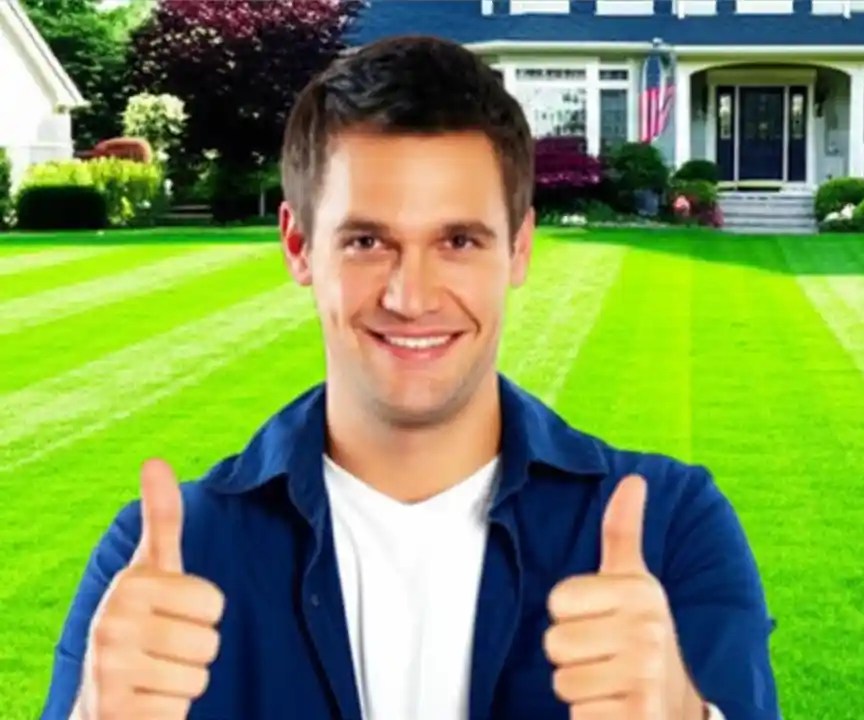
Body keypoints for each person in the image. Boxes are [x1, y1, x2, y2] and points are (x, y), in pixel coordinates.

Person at [39, 34, 780, 720]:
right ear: (298, 246)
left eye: (458, 240)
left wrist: (686, 712)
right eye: (367, 241)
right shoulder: (163, 561)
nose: (411, 297)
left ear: (519, 247)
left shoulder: (670, 531)